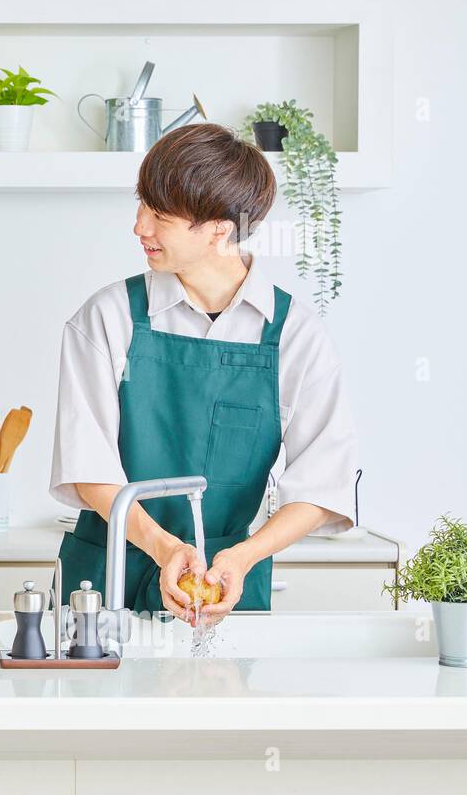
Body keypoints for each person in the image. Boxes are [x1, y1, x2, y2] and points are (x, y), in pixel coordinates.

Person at [50, 123, 358, 624]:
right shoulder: (107, 317)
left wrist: (243, 556)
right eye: (141, 204)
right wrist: (165, 547)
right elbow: (89, 470)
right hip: (106, 578)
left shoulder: (297, 336)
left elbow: (322, 488)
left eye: (159, 214)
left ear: (220, 228)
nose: (139, 227)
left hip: (225, 582)